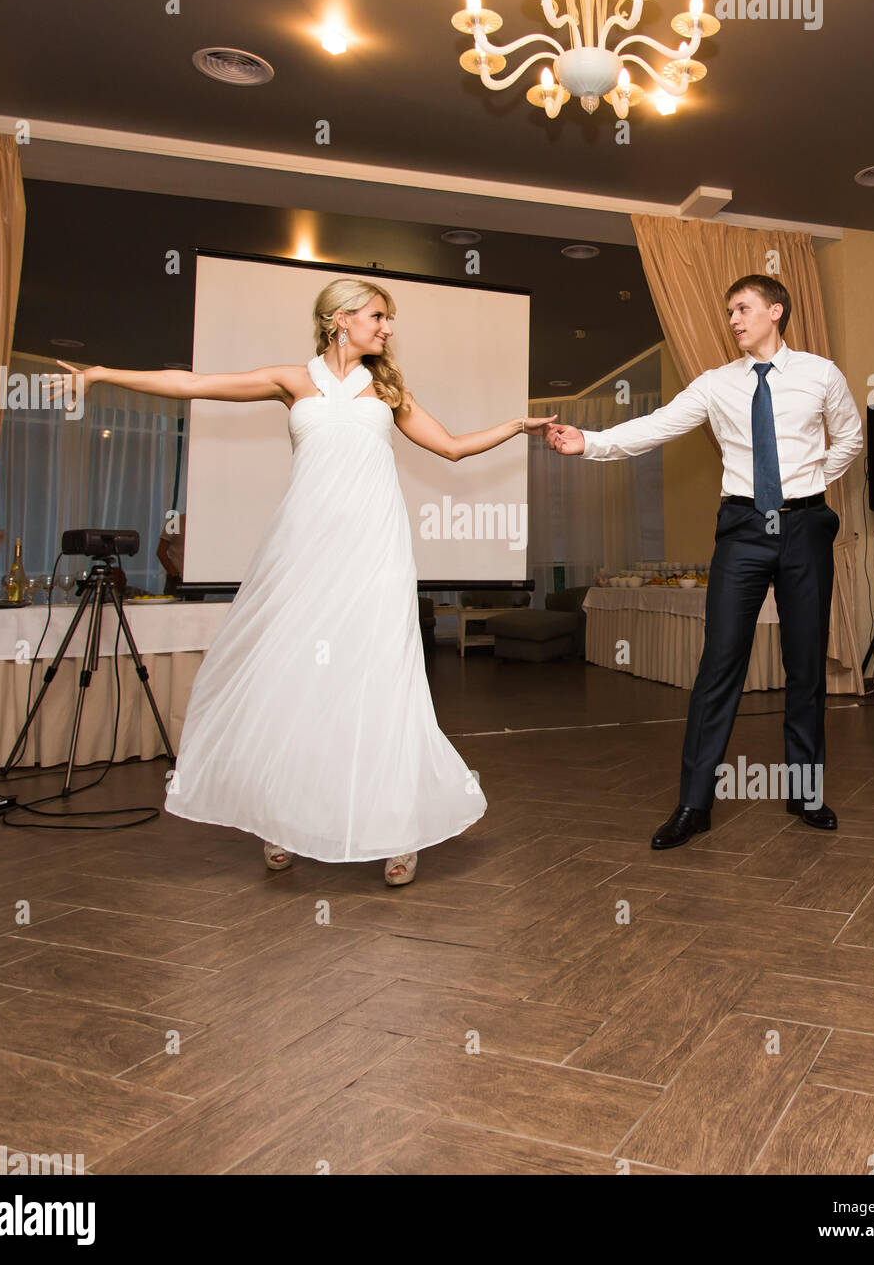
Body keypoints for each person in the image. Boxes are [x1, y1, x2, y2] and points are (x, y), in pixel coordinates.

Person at [53, 278, 554, 884]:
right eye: (379, 316)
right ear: (341, 319)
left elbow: (449, 447)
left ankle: (397, 829)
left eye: (389, 319)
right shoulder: (293, 381)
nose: (388, 328)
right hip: (303, 554)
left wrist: (513, 427)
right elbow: (194, 384)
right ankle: (282, 819)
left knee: (379, 682)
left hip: (374, 555)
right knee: (294, 678)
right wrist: (103, 373)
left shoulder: (388, 388)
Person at [546, 275, 863, 848]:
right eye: (729, 312)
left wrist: (812, 483)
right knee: (719, 665)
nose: (734, 320)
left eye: (743, 309)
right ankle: (693, 805)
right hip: (742, 529)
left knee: (807, 663)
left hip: (804, 527)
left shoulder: (821, 374)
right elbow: (657, 425)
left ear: (775, 311)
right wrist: (589, 443)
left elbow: (849, 438)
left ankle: (805, 791)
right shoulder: (717, 384)